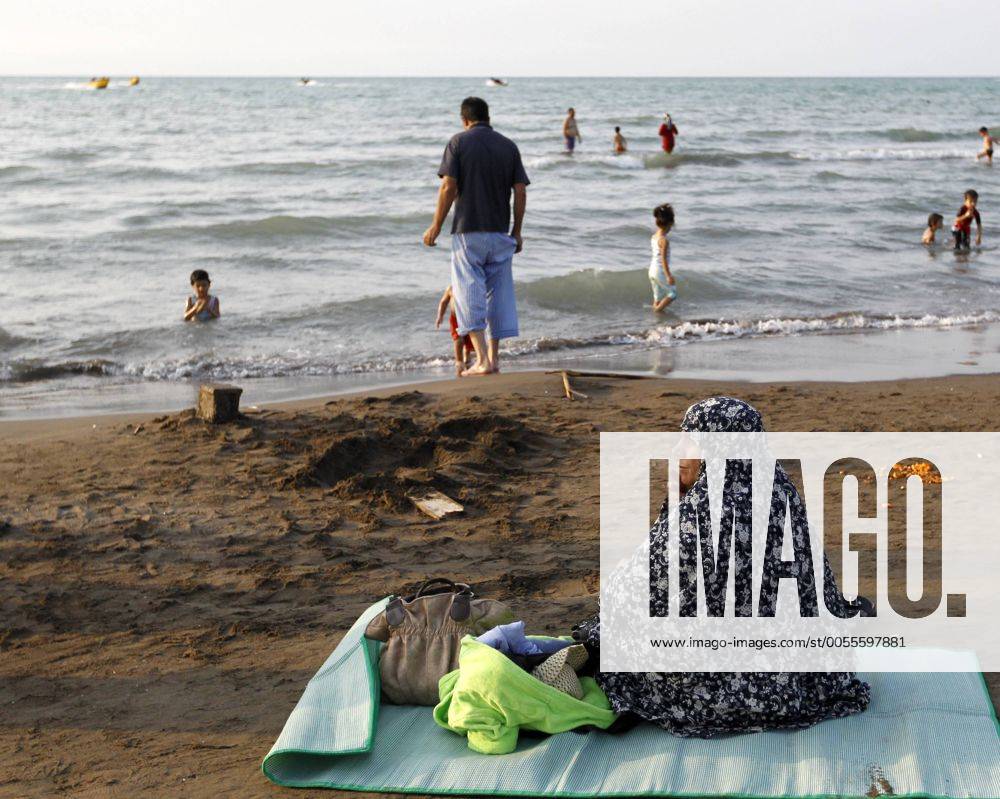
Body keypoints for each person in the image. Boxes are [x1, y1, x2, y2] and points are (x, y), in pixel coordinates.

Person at [577, 397, 872, 738]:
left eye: (690, 440)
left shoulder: (703, 515)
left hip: (726, 683)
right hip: (798, 678)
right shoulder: (780, 493)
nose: (677, 449)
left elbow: (631, 596)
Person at [422, 97, 529, 376]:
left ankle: (481, 360)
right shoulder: (508, 146)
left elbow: (448, 186)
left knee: (469, 294)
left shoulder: (458, 142)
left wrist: (435, 226)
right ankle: (494, 359)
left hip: (468, 232)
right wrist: (516, 231)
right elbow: (520, 191)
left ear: (464, 120)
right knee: (499, 295)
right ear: (487, 117)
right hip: (499, 233)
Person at [435, 286, 473, 376]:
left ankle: (467, 358)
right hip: (455, 319)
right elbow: (443, 302)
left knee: (470, 341)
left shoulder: (469, 286)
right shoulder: (451, 288)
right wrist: (440, 316)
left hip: (469, 318)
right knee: (458, 340)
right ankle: (459, 361)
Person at [649, 203, 677, 312]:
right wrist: (668, 275)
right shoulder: (664, 240)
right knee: (672, 294)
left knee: (658, 297)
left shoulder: (654, 236)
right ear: (670, 223)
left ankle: (657, 320)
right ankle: (657, 311)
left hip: (652, 270)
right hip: (660, 271)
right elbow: (663, 260)